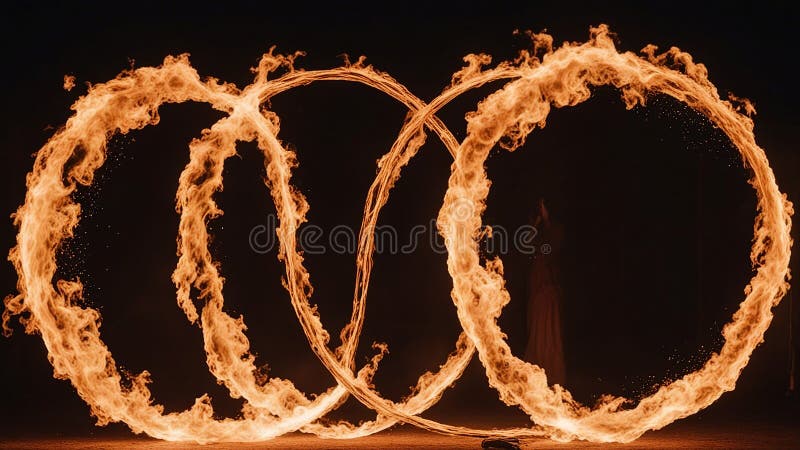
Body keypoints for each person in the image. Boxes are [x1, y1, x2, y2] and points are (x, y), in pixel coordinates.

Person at [524, 199, 566, 386]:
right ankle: (537, 382)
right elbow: (526, 244)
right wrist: (537, 224)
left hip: (547, 293)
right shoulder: (538, 241)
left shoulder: (554, 236)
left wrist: (547, 221)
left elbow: (552, 244)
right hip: (537, 294)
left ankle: (553, 380)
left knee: (548, 337)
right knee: (537, 337)